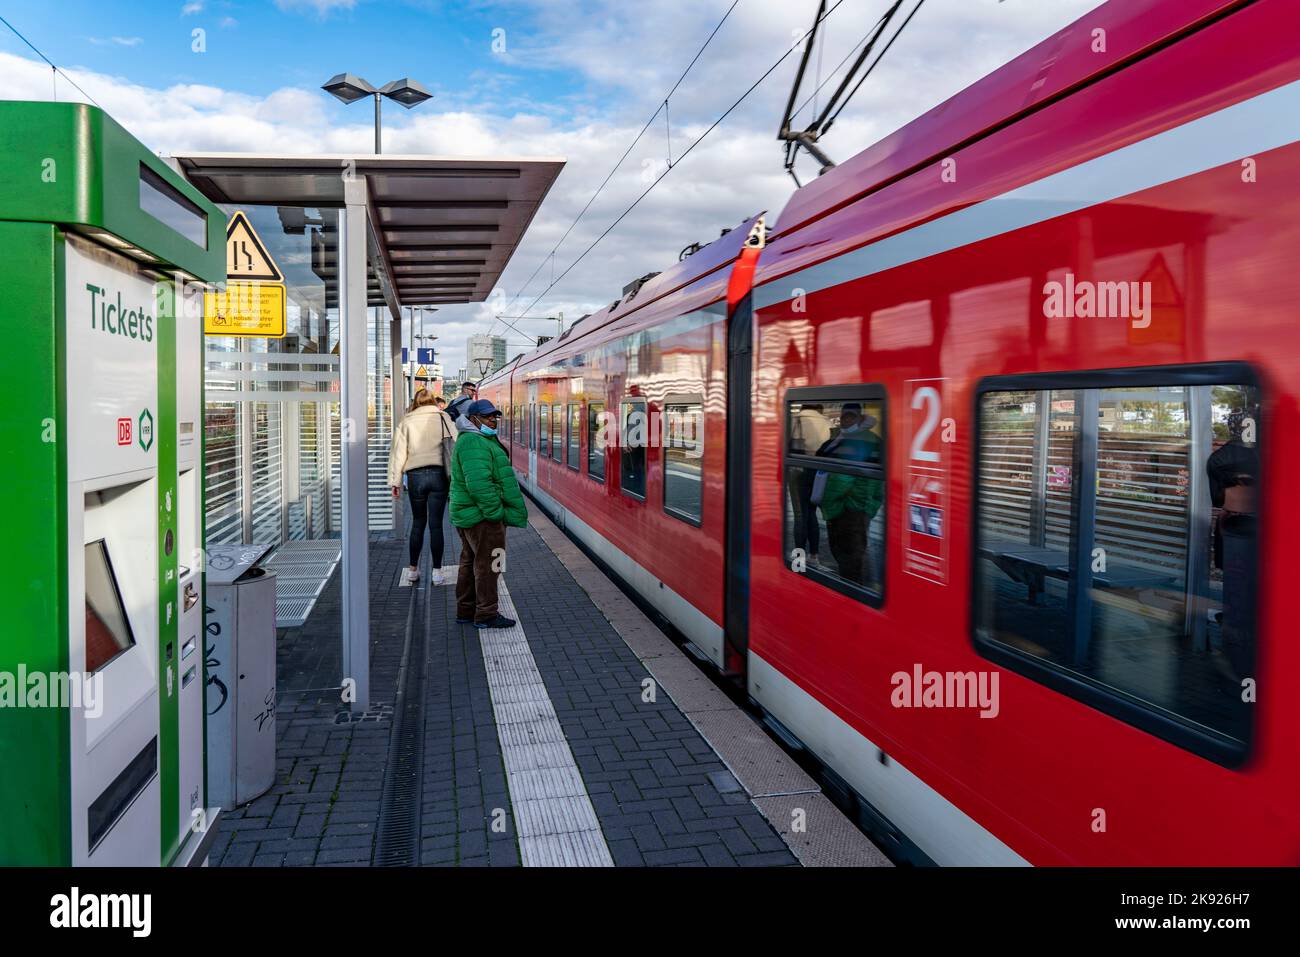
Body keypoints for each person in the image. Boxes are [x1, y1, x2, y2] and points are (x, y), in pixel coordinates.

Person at [449, 398, 527, 629]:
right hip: (482, 518)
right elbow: (479, 484)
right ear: (474, 419)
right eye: (487, 416)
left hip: (471, 515)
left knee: (470, 561)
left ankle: (466, 610)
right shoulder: (474, 442)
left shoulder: (477, 439)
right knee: (491, 565)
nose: (493, 419)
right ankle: (486, 614)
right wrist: (495, 514)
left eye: (495, 415)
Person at [388, 388, 458, 585]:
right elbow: (456, 443)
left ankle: (413, 570)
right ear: (433, 401)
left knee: (418, 523)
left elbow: (398, 454)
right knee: (436, 525)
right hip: (438, 475)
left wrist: (395, 482)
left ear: (416, 402)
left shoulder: (407, 421)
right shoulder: (443, 417)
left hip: (415, 477)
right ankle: (437, 572)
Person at [811, 404, 883, 585]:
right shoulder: (841, 438)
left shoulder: (857, 440)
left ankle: (853, 589)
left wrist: (829, 502)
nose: (846, 420)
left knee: (849, 553)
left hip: (849, 506)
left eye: (850, 416)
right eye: (844, 417)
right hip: (851, 506)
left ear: (860, 418)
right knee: (848, 551)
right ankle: (854, 585)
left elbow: (841, 479)